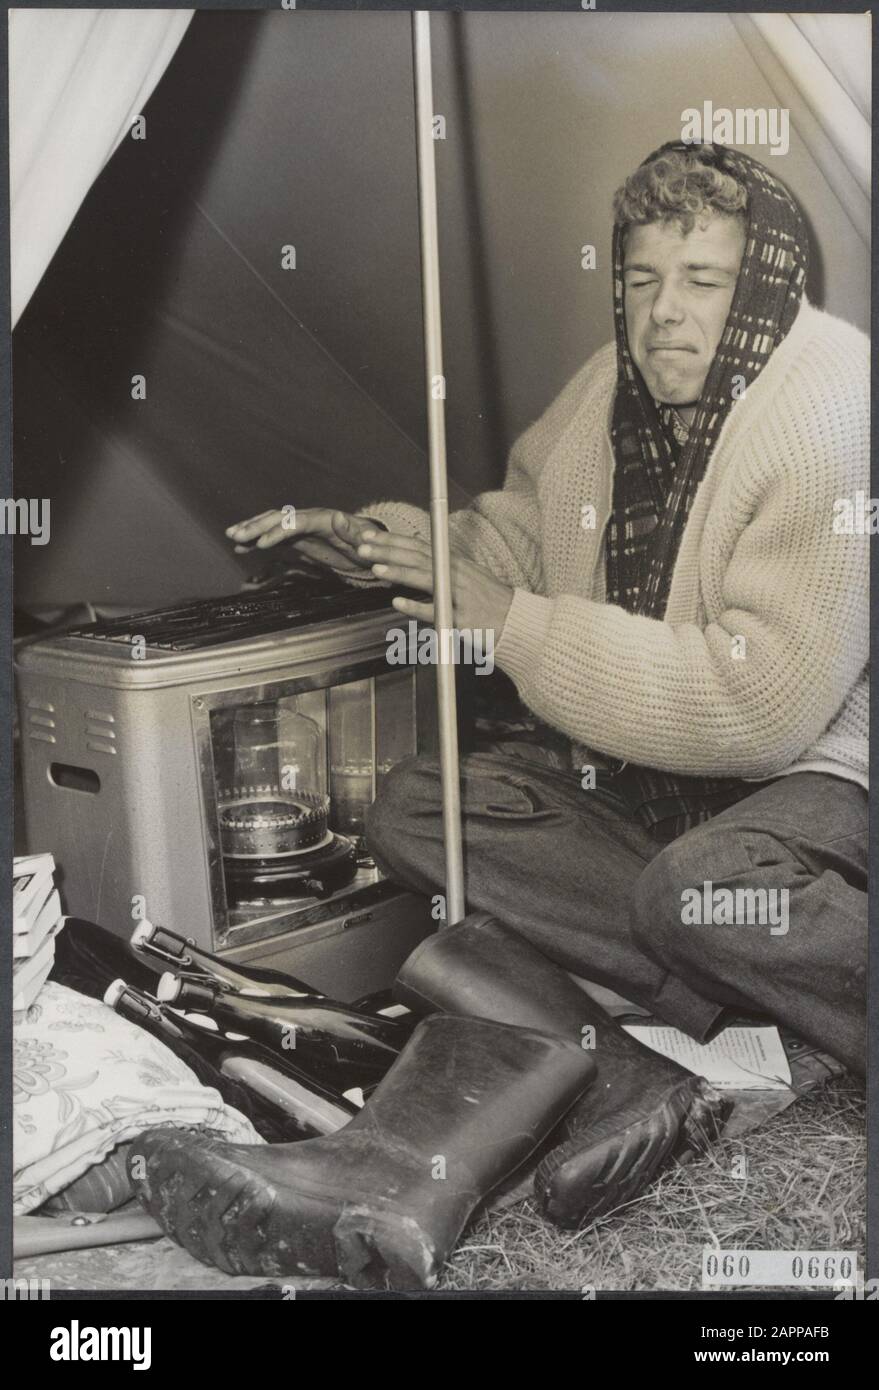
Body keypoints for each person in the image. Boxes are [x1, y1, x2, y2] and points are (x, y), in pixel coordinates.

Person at [222, 141, 868, 1227]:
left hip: (822, 768)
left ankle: (735, 947)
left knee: (699, 884)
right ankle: (675, 1038)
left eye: (703, 281)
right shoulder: (607, 387)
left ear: (761, 289)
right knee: (419, 807)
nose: (664, 312)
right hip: (655, 778)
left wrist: (510, 626)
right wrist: (390, 547)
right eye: (643, 279)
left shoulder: (834, 408)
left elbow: (764, 708)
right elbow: (512, 540)